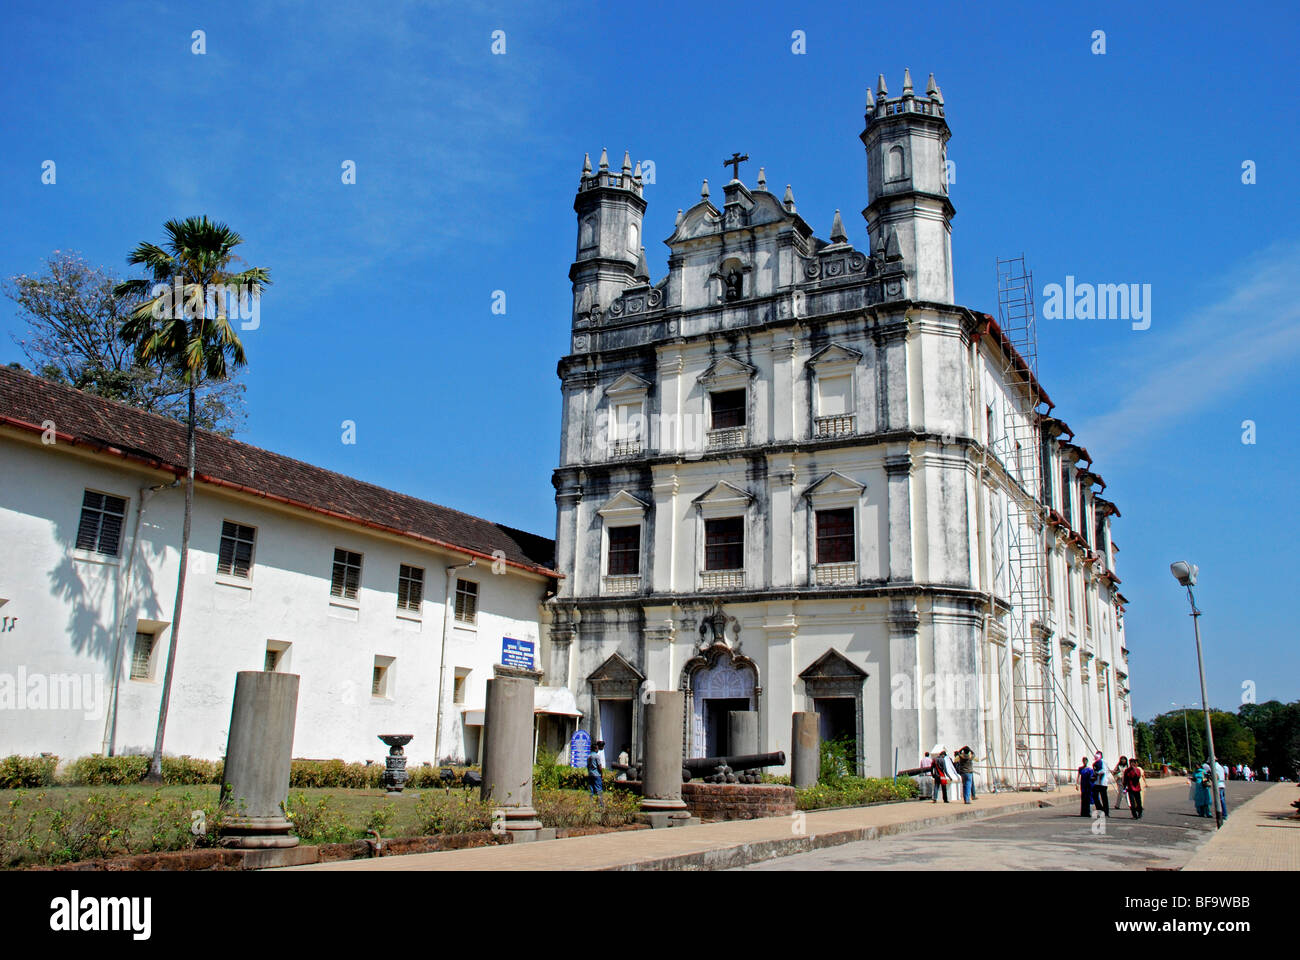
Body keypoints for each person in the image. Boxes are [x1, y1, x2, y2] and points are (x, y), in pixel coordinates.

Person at [586, 738, 606, 807]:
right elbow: (599, 766)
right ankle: (600, 803)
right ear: (595, 749)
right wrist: (601, 774)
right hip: (597, 774)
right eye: (597, 748)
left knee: (591, 789)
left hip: (590, 774)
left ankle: (590, 803)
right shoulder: (597, 756)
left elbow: (588, 766)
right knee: (598, 789)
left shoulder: (588, 756)